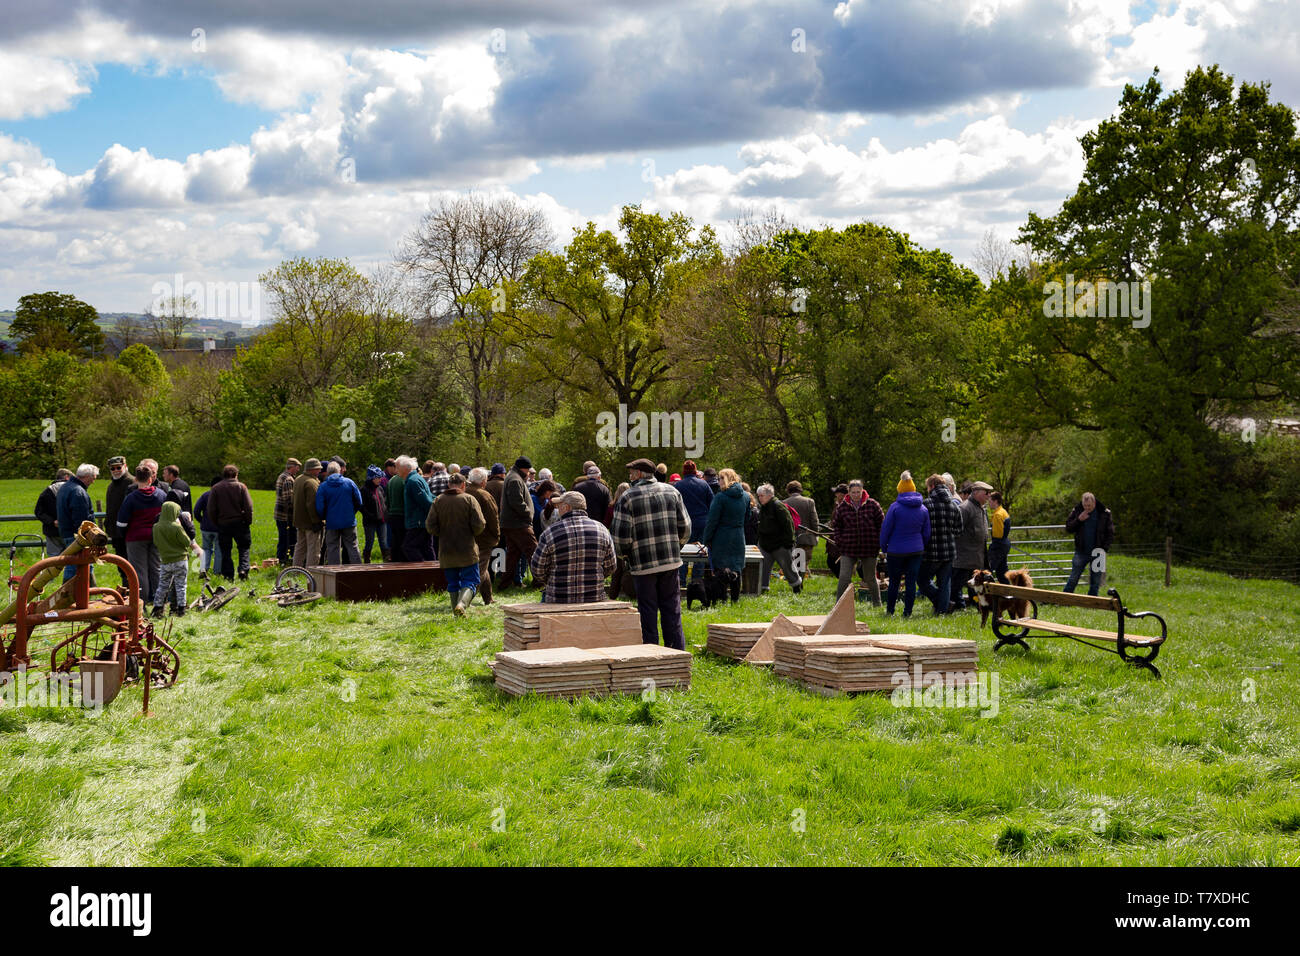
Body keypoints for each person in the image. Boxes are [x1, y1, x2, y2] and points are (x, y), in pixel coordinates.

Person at [610, 458, 691, 649]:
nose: (630, 476)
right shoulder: (672, 491)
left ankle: (651, 655)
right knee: (672, 610)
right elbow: (686, 527)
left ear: (638, 474)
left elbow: (620, 537)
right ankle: (676, 654)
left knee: (647, 612)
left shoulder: (628, 497)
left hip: (642, 564)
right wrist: (675, 546)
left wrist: (626, 555)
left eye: (631, 473)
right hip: (670, 561)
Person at [532, 491, 617, 604]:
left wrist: (553, 579)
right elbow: (611, 566)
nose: (557, 509)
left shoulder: (550, 532)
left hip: (558, 598)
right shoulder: (602, 530)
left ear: (567, 507)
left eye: (559, 506)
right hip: (594, 597)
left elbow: (537, 569)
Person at [425, 472, 485, 615]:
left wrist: (442, 533)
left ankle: (456, 613)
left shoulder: (438, 500)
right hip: (467, 548)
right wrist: (472, 533)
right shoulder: (469, 499)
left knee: (453, 583)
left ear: (449, 485)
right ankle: (462, 605)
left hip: (446, 548)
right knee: (471, 581)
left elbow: (430, 526)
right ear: (463, 485)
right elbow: (480, 524)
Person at [879, 471, 931, 617]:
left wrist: (884, 547)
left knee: (894, 582)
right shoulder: (923, 509)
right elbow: (926, 533)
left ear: (900, 489)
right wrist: (921, 545)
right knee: (911, 582)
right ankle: (907, 612)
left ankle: (890, 611)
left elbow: (886, 530)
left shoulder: (894, 507)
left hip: (896, 550)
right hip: (916, 551)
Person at [117, 464, 166, 600]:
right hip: (156, 536)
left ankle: (141, 602)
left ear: (136, 480)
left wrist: (124, 534)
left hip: (135, 538)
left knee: (139, 571)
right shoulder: (161, 495)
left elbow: (121, 523)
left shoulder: (131, 498)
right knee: (157, 569)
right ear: (151, 479)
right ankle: (159, 602)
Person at [831, 479, 883, 604]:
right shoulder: (842, 507)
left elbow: (881, 525)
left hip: (869, 547)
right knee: (844, 577)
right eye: (853, 492)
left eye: (858, 492)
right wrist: (840, 541)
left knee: (870, 578)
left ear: (862, 491)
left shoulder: (872, 504)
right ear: (849, 492)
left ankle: (877, 603)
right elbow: (836, 526)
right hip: (848, 547)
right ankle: (839, 605)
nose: (856, 495)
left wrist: (878, 542)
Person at [702, 468, 750, 602]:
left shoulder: (720, 497)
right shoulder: (746, 496)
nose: (719, 481)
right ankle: (735, 599)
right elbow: (748, 518)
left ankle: (721, 598)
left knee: (720, 569)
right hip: (738, 536)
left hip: (721, 536)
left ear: (729, 479)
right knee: (736, 567)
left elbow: (712, 520)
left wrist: (707, 538)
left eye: (721, 478)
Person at [918, 474, 961, 614]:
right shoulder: (954, 506)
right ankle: (943, 609)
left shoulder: (926, 505)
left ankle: (943, 603)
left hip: (931, 551)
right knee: (944, 583)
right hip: (949, 551)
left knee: (922, 580)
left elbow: (920, 528)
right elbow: (959, 530)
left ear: (931, 486)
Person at [151, 500, 201, 618]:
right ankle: (180, 609)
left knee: (163, 585)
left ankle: (157, 608)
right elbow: (186, 541)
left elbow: (155, 542)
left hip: (165, 560)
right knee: (180, 585)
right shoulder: (176, 527)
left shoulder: (156, 527)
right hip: (180, 560)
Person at [208, 464, 255, 580]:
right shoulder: (241, 487)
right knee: (244, 548)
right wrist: (248, 521)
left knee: (225, 551)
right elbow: (248, 507)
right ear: (236, 475)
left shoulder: (216, 488)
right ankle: (243, 569)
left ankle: (228, 575)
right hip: (240, 522)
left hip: (223, 523)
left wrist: (216, 522)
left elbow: (211, 509)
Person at [755, 483, 802, 595]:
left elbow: (788, 525)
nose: (759, 498)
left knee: (787, 568)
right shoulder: (763, 507)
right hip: (765, 544)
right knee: (763, 567)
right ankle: (763, 588)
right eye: (758, 496)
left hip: (780, 544)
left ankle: (796, 586)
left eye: (761, 495)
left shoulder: (778, 506)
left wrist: (788, 543)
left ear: (769, 495)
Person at [1064, 492, 1114, 595]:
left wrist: (1104, 549)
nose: (1087, 508)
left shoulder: (1104, 513)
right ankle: (1064, 599)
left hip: (1098, 552)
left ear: (1094, 503)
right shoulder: (1077, 511)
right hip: (1081, 551)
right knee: (1073, 578)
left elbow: (1110, 533)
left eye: (1089, 506)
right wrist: (1079, 520)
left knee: (1095, 581)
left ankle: (1092, 602)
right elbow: (1068, 528)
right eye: (1085, 505)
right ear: (1082, 504)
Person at [953, 480, 993, 610]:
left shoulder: (980, 508)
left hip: (976, 557)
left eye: (990, 493)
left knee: (975, 587)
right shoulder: (965, 508)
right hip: (964, 557)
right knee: (956, 586)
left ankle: (977, 606)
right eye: (986, 493)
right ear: (975, 493)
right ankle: (947, 607)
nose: (989, 496)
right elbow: (956, 529)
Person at [56, 464, 98, 581]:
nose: (93, 482)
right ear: (87, 476)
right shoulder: (78, 492)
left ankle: (88, 593)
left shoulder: (66, 487)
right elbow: (82, 521)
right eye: (93, 478)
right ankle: (69, 595)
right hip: (77, 536)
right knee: (76, 566)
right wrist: (88, 536)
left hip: (66, 532)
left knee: (76, 564)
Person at [500, 456, 537, 588]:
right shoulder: (515, 479)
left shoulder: (513, 476)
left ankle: (504, 584)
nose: (528, 473)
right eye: (528, 470)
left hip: (512, 523)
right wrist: (528, 514)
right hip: (518, 523)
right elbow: (516, 502)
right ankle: (540, 582)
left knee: (512, 556)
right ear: (523, 468)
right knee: (534, 551)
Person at [316, 460, 363, 565]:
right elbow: (359, 501)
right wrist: (351, 512)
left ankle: (335, 573)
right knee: (353, 546)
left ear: (328, 472)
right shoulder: (349, 483)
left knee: (333, 548)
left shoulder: (323, 486)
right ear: (339, 470)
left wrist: (325, 516)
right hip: (349, 521)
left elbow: (319, 507)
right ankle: (358, 571)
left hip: (332, 523)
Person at [466, 468, 501, 606]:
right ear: (483, 481)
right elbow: (493, 517)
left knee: (483, 567)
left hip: (468, 537)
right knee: (479, 569)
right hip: (484, 538)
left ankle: (488, 598)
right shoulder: (484, 495)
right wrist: (497, 535)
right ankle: (464, 600)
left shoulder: (464, 492)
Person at [675, 460, 713, 585]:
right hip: (702, 522)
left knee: (683, 551)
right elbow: (712, 503)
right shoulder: (704, 484)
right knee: (700, 552)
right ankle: (697, 581)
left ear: (683, 471)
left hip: (685, 523)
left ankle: (682, 581)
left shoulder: (678, 486)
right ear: (695, 471)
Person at [103, 455, 133, 583]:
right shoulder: (111, 486)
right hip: (116, 532)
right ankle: (126, 587)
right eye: (113, 468)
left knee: (130, 563)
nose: (116, 470)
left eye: (118, 467)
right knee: (121, 563)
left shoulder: (131, 483)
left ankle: (133, 590)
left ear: (125, 467)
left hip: (129, 530)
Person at [401, 456, 435, 561]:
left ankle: (423, 571)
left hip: (418, 522)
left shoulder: (413, 481)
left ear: (405, 469)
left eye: (397, 467)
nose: (396, 470)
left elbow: (426, 501)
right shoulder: (416, 479)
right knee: (426, 547)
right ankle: (433, 572)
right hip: (421, 521)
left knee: (408, 547)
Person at [292, 458, 324, 568]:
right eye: (318, 469)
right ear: (312, 469)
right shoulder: (311, 483)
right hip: (310, 522)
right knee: (313, 549)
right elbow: (312, 504)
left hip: (299, 521)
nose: (320, 471)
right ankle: (311, 573)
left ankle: (295, 571)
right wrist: (316, 521)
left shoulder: (298, 479)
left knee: (300, 548)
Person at [35, 468, 73, 557]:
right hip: (70, 530)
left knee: (53, 560)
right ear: (67, 477)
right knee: (73, 559)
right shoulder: (73, 490)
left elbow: (38, 512)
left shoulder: (46, 492)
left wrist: (52, 521)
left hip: (52, 531)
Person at [273, 458, 301, 566]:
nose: (298, 469)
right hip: (285, 516)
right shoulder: (288, 479)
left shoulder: (282, 476)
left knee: (284, 537)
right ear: (292, 467)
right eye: (297, 467)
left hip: (280, 514)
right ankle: (282, 559)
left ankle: (282, 558)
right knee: (287, 538)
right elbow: (289, 500)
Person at [359, 465, 388, 563]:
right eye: (378, 477)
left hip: (382, 521)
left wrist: (385, 513)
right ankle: (367, 561)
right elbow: (361, 506)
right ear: (372, 478)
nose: (380, 479)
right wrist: (369, 516)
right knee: (369, 543)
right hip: (370, 522)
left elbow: (384, 501)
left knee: (384, 542)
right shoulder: (364, 490)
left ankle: (387, 560)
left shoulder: (380, 488)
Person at [784, 480, 819, 556]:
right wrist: (816, 532)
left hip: (790, 540)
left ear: (788, 491)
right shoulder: (809, 501)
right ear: (800, 490)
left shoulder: (784, 503)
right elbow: (814, 520)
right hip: (806, 539)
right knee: (803, 564)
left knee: (792, 565)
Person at [194, 486, 222, 578]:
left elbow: (196, 510)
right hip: (219, 528)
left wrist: (202, 521)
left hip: (206, 528)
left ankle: (204, 569)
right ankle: (217, 572)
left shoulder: (205, 495)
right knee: (218, 550)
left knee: (206, 549)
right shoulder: (222, 496)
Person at [385, 457, 406, 562]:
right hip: (402, 514)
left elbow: (387, 500)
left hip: (392, 515)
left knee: (394, 541)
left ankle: (394, 562)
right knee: (403, 541)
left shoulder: (391, 480)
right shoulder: (404, 480)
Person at [988, 491, 1011, 583]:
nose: (989, 503)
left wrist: (992, 548)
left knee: (988, 568)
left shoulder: (998, 515)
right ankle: (1007, 593)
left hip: (998, 545)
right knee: (1002, 572)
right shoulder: (1003, 511)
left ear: (995, 501)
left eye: (990, 501)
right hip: (1004, 544)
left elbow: (997, 535)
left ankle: (986, 591)